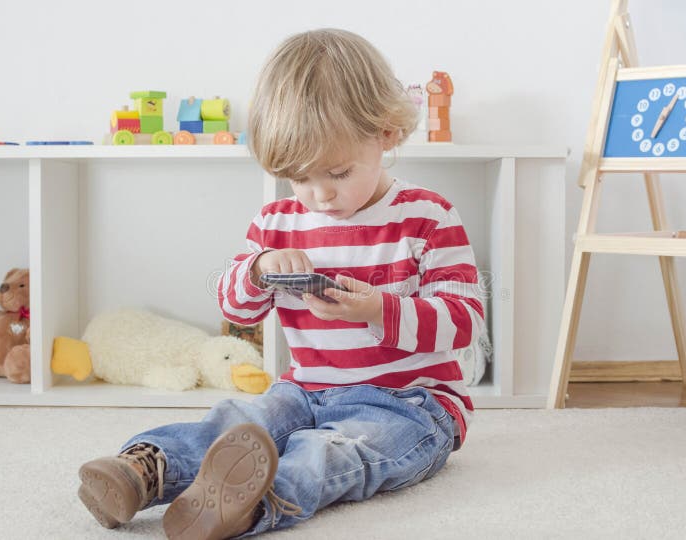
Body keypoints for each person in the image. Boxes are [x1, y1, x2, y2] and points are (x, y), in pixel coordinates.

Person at [78, 28, 484, 539]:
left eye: (336, 173)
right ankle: (143, 469)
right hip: (305, 390)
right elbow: (237, 308)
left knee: (335, 451)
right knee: (240, 420)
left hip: (410, 402)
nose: (318, 195)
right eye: (299, 177)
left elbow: (465, 321)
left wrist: (380, 310)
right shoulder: (277, 222)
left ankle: (253, 504)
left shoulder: (428, 216)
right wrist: (258, 269)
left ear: (385, 133)